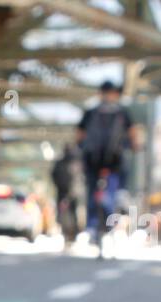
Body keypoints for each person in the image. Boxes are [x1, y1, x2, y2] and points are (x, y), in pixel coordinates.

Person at [77, 81, 134, 251]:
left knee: (91, 193)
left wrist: (80, 148)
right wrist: (134, 145)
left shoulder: (90, 112)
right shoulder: (122, 112)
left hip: (92, 161)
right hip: (114, 162)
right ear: (115, 94)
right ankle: (120, 199)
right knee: (117, 187)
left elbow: (79, 135)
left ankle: (92, 227)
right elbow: (132, 134)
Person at [51, 143, 84, 246]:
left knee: (66, 214)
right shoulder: (75, 163)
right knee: (70, 214)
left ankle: (69, 234)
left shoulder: (63, 163)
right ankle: (70, 235)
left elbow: (54, 175)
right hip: (69, 193)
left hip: (64, 193)